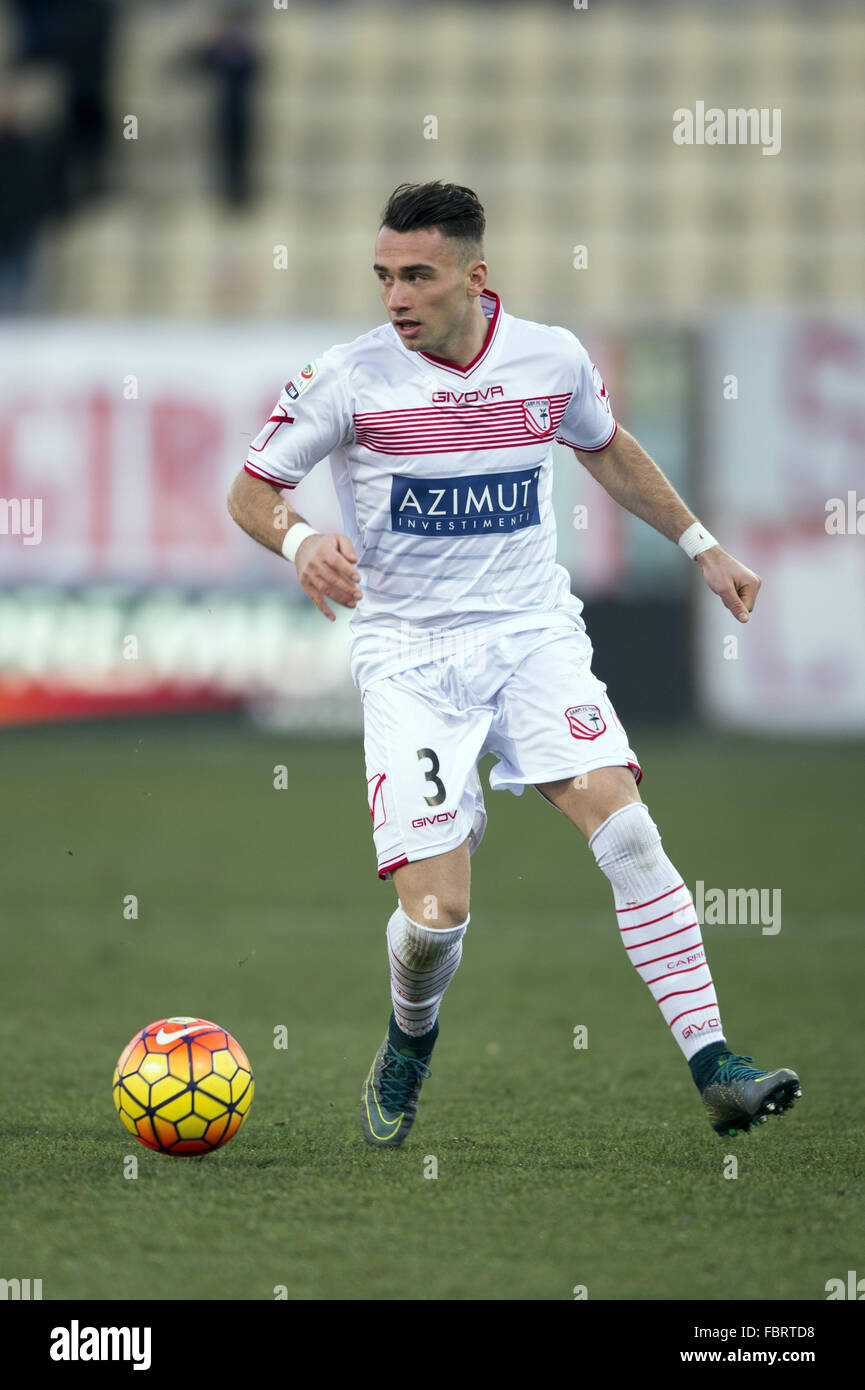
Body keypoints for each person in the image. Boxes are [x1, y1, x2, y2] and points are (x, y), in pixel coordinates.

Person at [227, 180, 801, 1147]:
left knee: (628, 835)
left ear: (474, 277)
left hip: (532, 635)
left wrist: (702, 543)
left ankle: (715, 1066)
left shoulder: (551, 357)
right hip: (408, 655)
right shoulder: (348, 377)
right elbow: (252, 493)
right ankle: (411, 1035)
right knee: (438, 916)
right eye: (383, 277)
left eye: (418, 275)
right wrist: (297, 544)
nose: (396, 296)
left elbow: (607, 449)